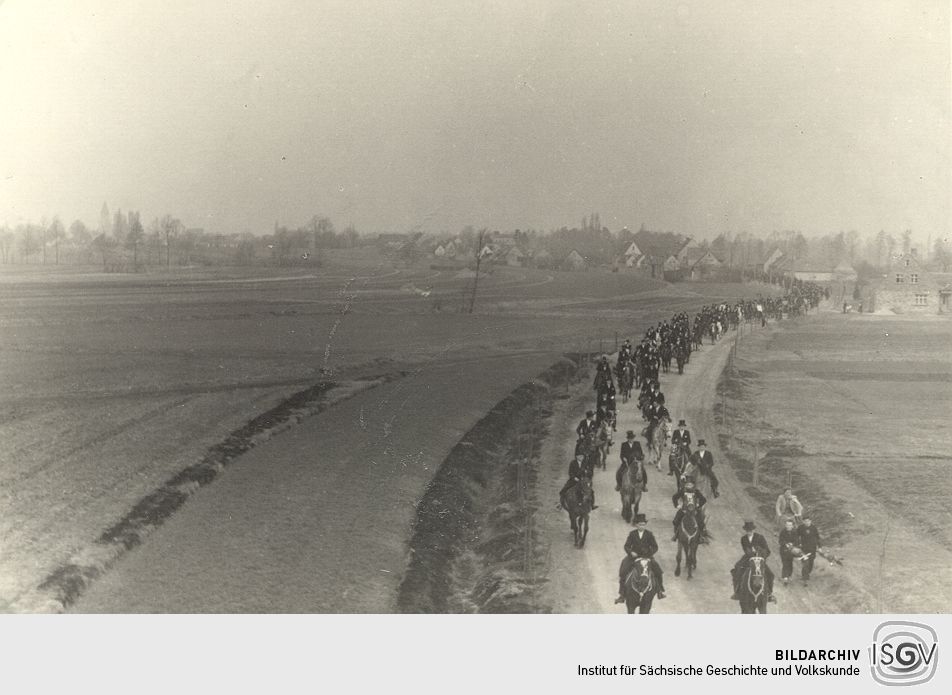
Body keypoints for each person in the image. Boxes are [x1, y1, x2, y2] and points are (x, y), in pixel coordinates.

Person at [615, 514, 666, 603]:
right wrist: (631, 552)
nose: (642, 526)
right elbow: (626, 546)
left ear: (645, 525)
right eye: (640, 524)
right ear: (636, 525)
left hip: (647, 557)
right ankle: (622, 594)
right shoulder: (632, 534)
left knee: (658, 570)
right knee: (623, 570)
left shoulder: (649, 534)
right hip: (634, 557)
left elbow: (655, 547)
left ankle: (660, 591)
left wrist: (649, 553)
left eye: (643, 524)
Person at [731, 521, 775, 601]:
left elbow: (767, 551)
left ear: (753, 530)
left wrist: (760, 553)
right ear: (745, 530)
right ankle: (737, 591)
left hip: (759, 558)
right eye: (747, 530)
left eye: (750, 530)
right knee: (737, 569)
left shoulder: (760, 537)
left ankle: (769, 594)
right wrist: (750, 553)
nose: (749, 532)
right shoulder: (743, 539)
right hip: (748, 558)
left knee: (770, 574)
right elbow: (746, 550)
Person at [797, 516, 822, 582]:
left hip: (812, 548)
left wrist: (819, 547)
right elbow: (796, 536)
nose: (807, 522)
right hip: (803, 548)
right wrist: (798, 543)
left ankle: (807, 574)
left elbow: (818, 538)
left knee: (811, 563)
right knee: (805, 562)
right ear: (803, 522)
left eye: (808, 521)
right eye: (805, 521)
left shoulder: (814, 528)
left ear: (810, 521)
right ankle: (805, 577)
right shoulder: (800, 528)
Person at [778, 518, 799, 583]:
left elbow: (797, 541)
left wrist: (792, 544)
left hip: (791, 550)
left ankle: (789, 575)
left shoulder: (795, 532)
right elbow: (780, 541)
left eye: (790, 525)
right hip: (783, 550)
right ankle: (785, 577)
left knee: (790, 563)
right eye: (787, 525)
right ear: (785, 525)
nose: (788, 526)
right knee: (785, 563)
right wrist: (785, 544)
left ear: (792, 526)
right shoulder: (783, 532)